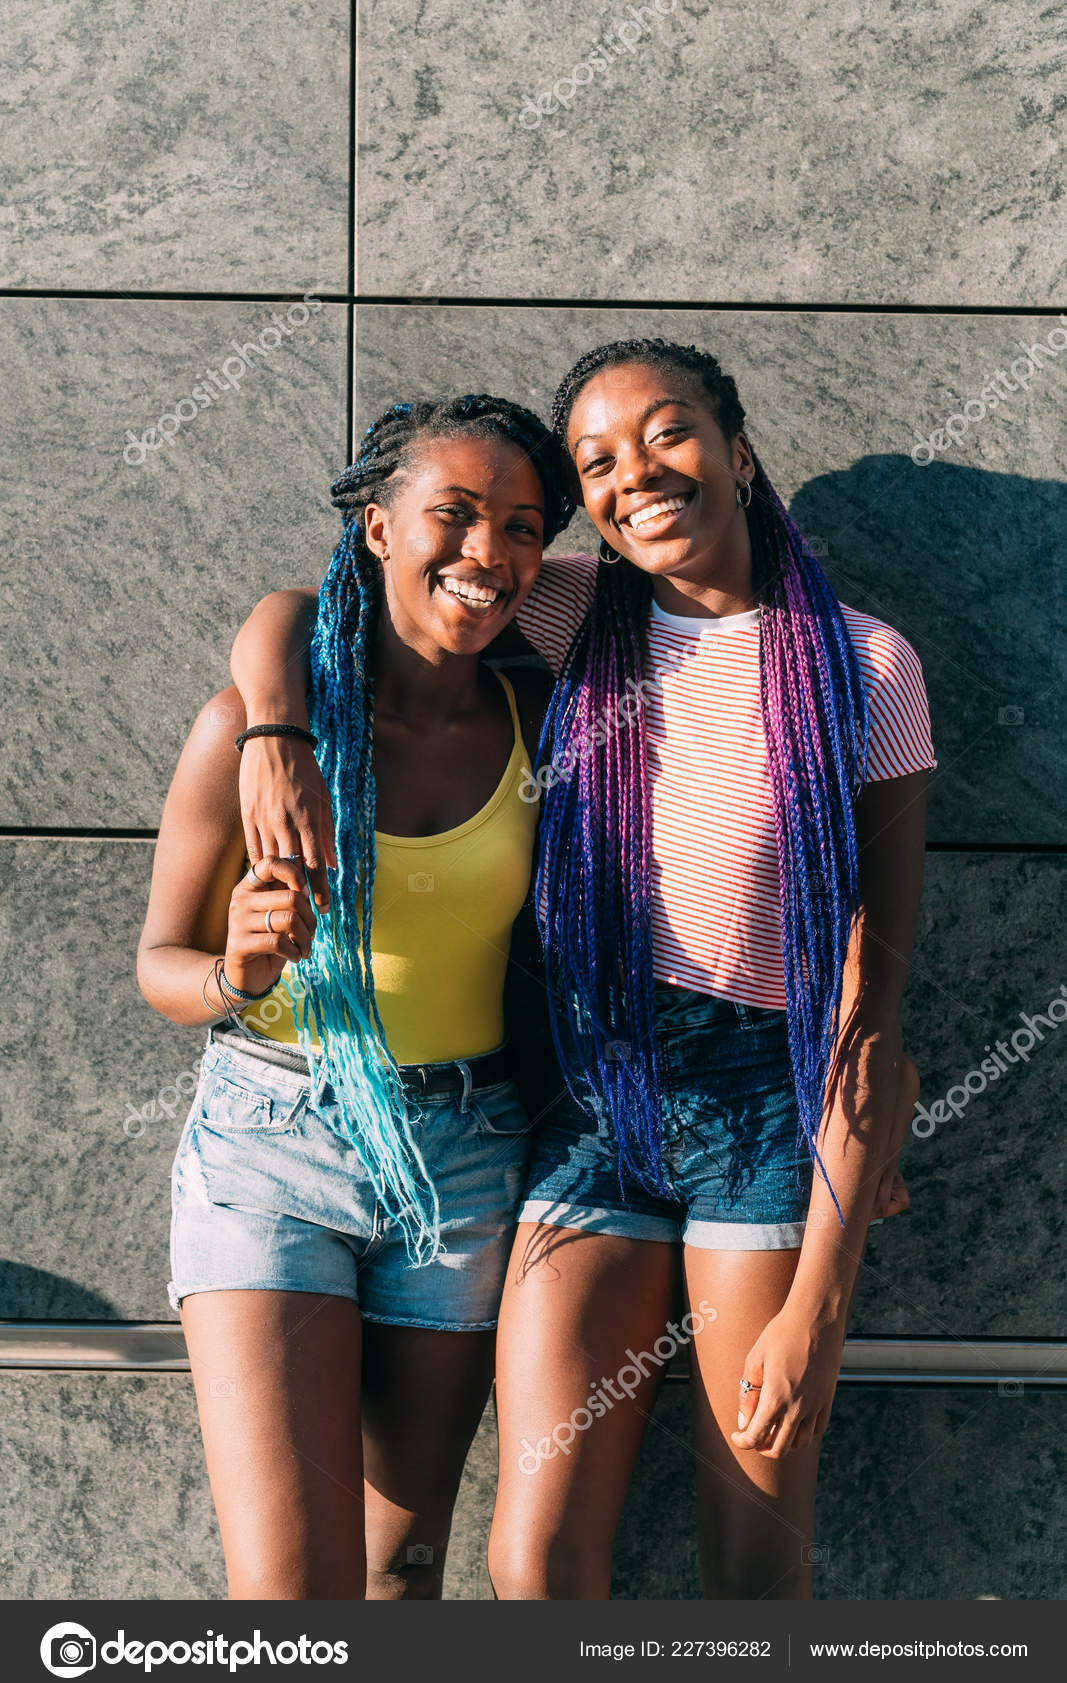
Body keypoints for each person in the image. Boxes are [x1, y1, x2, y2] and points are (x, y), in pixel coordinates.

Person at [227, 338, 933, 1601]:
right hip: (593, 1094)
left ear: (736, 447)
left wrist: (819, 1301)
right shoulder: (566, 608)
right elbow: (309, 601)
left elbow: (870, 1014)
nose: (634, 475)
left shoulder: (863, 666)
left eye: (665, 434)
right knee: (534, 1560)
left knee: (753, 1553)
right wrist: (273, 736)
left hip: (769, 1102)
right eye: (597, 462)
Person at [136, 393, 572, 1600]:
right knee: (290, 1592)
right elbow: (159, 964)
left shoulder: (539, 719)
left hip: (468, 1156)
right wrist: (236, 971)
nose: (489, 552)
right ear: (376, 528)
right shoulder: (250, 727)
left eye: (524, 525)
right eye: (456, 513)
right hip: (272, 1142)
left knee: (400, 1568)